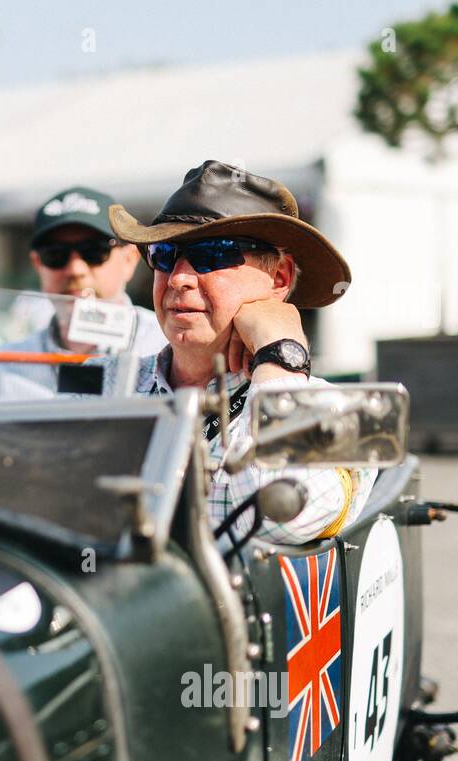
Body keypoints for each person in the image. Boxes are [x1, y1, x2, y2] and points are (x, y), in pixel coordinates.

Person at [106, 159, 375, 545]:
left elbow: (279, 516)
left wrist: (281, 353)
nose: (179, 277)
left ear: (278, 279)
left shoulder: (338, 412)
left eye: (213, 254)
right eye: (165, 254)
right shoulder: (107, 385)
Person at [0, 186, 167, 403]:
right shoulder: (2, 366)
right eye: (55, 254)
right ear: (38, 264)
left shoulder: (168, 345)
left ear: (129, 261)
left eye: (95, 251)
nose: (75, 269)